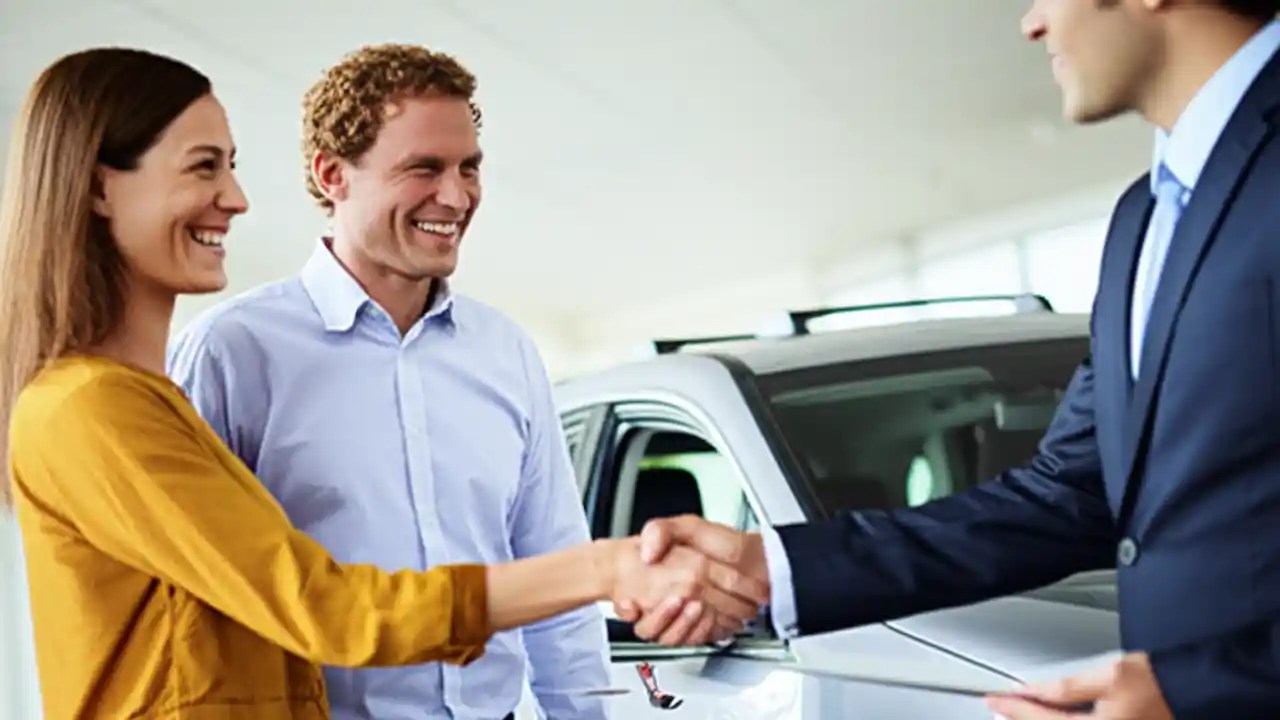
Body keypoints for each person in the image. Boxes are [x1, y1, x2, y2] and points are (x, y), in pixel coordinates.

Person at [0, 47, 768, 720]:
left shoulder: (505, 354)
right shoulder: (197, 367)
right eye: (424, 169)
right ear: (333, 176)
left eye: (469, 168)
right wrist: (606, 567)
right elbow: (319, 608)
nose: (458, 195)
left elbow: (550, 590)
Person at [630, 1, 1280, 718]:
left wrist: (1202, 694)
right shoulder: (1143, 221)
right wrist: (769, 569)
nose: (1032, 24)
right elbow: (1066, 493)